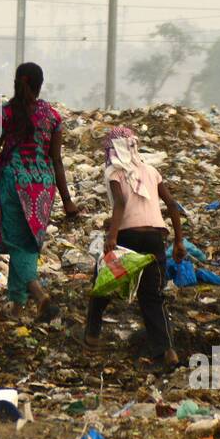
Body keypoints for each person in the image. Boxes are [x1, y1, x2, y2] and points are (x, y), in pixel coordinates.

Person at [0, 63, 78, 318]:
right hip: (44, 186)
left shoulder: (6, 113)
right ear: (39, 84)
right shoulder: (53, 117)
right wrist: (67, 201)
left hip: (14, 182)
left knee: (16, 244)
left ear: (17, 81)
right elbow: (56, 160)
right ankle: (18, 306)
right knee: (29, 243)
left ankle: (38, 295)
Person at [83, 126, 185, 369]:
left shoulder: (114, 172)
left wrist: (112, 236)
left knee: (104, 282)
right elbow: (172, 205)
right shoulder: (151, 171)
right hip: (155, 237)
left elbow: (120, 202)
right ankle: (167, 351)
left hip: (128, 237)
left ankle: (92, 335)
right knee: (153, 297)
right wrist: (179, 241)